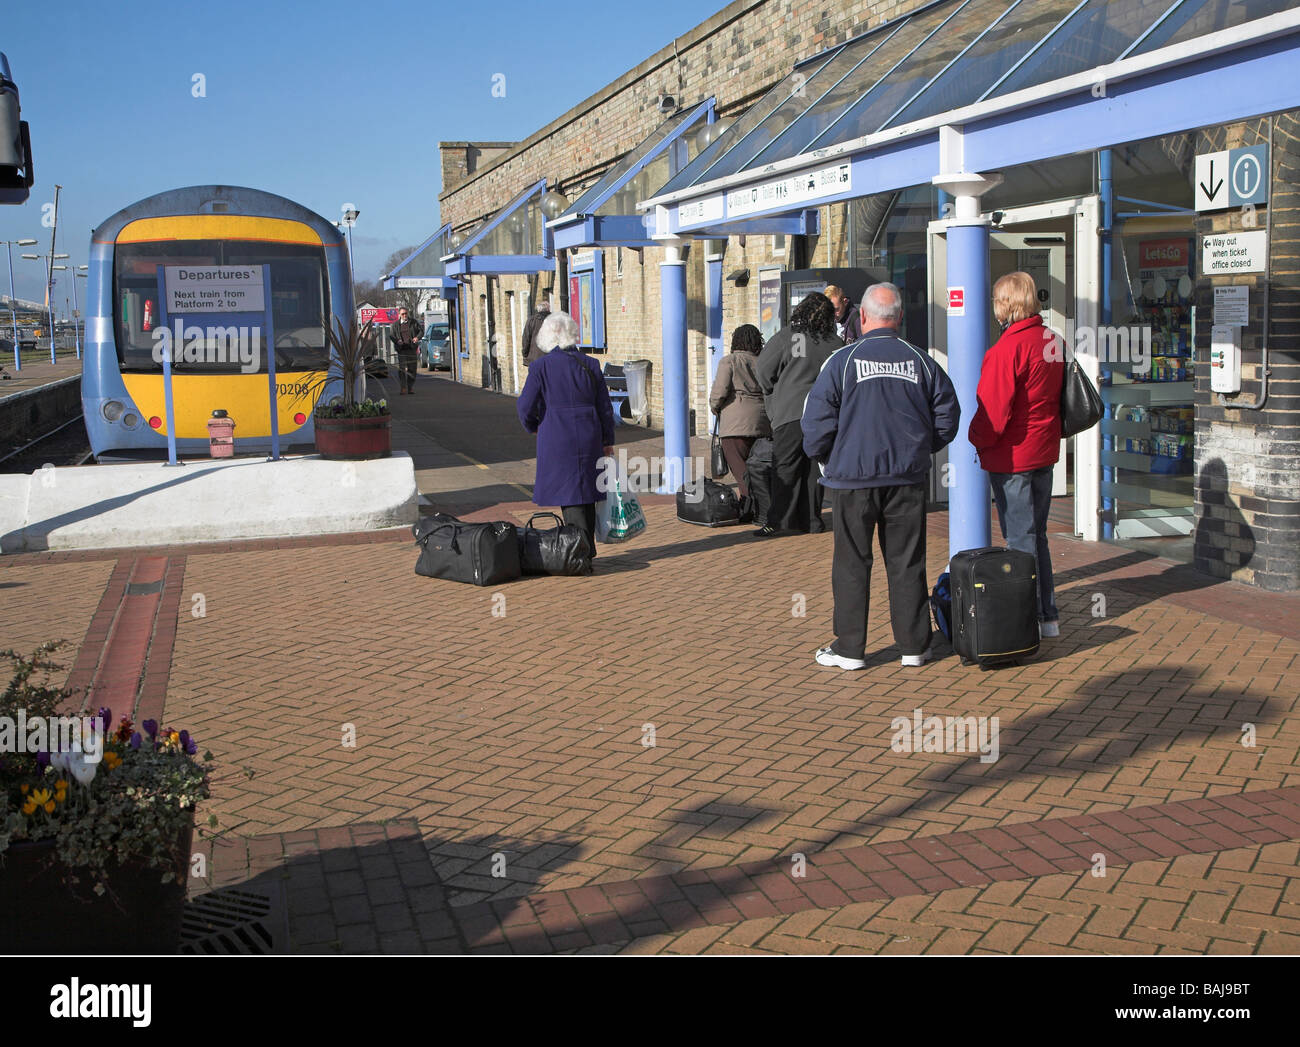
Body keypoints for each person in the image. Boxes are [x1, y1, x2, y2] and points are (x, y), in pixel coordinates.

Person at [802, 282, 960, 670]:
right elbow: (948, 415)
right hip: (905, 478)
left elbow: (816, 423)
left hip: (852, 480)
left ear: (864, 317)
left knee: (852, 563)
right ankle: (914, 646)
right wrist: (919, 450)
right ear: (899, 319)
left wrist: (827, 457)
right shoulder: (921, 360)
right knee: (907, 562)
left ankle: (850, 649)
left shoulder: (841, 361)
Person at [968, 271, 1065, 638]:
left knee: (1019, 540)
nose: (994, 308)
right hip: (1044, 449)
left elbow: (993, 412)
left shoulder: (1006, 350)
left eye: (996, 301)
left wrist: (975, 439)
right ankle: (1047, 615)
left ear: (1007, 305)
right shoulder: (1052, 341)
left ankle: (1029, 620)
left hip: (1014, 457)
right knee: (1036, 536)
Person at [516, 311, 615, 563]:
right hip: (589, 433)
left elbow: (525, 406)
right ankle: (586, 547)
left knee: (570, 494)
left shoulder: (540, 367)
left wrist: (533, 427)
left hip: (556, 435)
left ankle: (578, 550)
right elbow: (605, 406)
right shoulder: (591, 364)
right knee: (588, 493)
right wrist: (607, 441)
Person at [754, 291, 842, 536]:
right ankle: (813, 521)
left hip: (790, 413)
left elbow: (763, 370)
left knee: (785, 467)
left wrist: (772, 392)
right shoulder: (835, 343)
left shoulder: (789, 337)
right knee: (814, 470)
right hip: (823, 414)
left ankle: (779, 521)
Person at [708, 324, 771, 505]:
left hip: (735, 427)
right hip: (762, 423)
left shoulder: (729, 361)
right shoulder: (764, 362)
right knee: (757, 469)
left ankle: (752, 505)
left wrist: (715, 407)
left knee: (741, 472)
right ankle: (761, 503)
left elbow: (719, 392)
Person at [389, 307, 422, 395]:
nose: (405, 315)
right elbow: (391, 335)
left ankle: (410, 387)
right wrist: (397, 341)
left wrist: (417, 337)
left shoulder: (413, 322)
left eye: (406, 313)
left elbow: (421, 331)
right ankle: (403, 387)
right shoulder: (395, 325)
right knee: (402, 369)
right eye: (403, 314)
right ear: (399, 315)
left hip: (411, 349)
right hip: (402, 350)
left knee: (412, 369)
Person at [520, 298, 551, 368]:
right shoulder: (554, 320)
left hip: (535, 358)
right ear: (548, 309)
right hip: (551, 358)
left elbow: (526, 338)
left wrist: (525, 353)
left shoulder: (532, 320)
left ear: (538, 310)